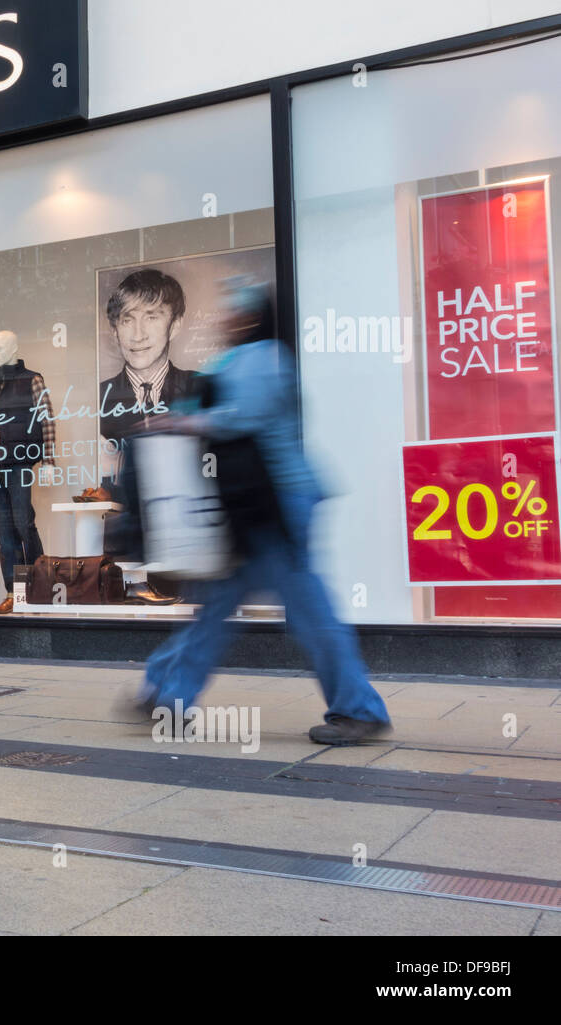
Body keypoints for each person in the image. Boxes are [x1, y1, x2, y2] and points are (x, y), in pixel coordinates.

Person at [129, 278, 391, 745]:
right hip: (253, 507)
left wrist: (186, 421)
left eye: (236, 308)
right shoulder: (244, 358)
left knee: (307, 612)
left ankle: (359, 709)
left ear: (251, 316)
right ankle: (167, 694)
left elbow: (239, 415)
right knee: (218, 607)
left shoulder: (266, 358)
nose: (227, 315)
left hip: (277, 507)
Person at [98, 269, 201, 605]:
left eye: (152, 317)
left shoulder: (198, 389)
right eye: (127, 319)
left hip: (187, 542)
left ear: (176, 323)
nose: (138, 333)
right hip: (128, 541)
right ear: (114, 329)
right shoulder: (97, 398)